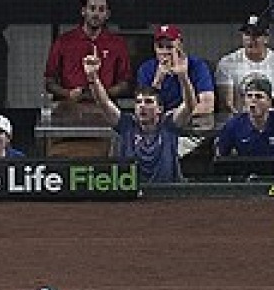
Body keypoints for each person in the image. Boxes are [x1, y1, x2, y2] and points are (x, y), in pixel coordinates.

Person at [95, 42, 196, 182]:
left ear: (160, 109)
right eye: (138, 102)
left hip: (166, 195)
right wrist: (93, 78)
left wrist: (183, 77)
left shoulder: (168, 125)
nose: (142, 106)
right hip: (132, 194)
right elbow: (104, 102)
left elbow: (190, 106)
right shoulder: (127, 125)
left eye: (148, 102)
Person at [44, 0, 132, 104]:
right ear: (83, 11)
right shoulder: (63, 42)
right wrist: (68, 93)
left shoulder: (118, 44)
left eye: (101, 10)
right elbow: (49, 81)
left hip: (106, 108)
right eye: (92, 8)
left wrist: (102, 93)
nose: (96, 14)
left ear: (107, 14)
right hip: (69, 106)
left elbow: (125, 83)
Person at [215, 15, 274, 113]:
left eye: (256, 35)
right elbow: (226, 105)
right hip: (239, 122)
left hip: (272, 122)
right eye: (247, 34)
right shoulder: (227, 63)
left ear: (266, 38)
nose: (250, 39)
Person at [137, 24, 214, 115]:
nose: (164, 52)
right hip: (159, 123)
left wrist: (183, 76)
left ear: (180, 45)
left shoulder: (198, 66)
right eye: (160, 47)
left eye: (169, 47)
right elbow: (144, 110)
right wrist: (158, 81)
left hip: (191, 120)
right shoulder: (146, 68)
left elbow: (207, 106)